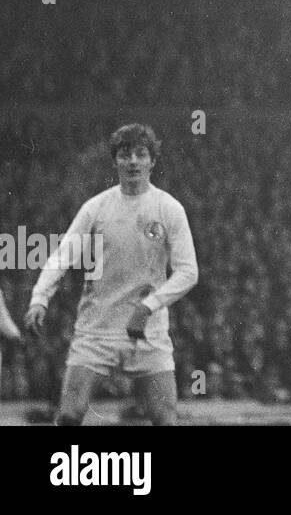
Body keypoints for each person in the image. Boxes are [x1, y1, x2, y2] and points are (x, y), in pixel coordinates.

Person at [24, 123, 198, 426]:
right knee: (68, 416)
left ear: (152, 161)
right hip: (97, 330)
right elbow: (62, 255)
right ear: (114, 161)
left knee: (165, 419)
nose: (132, 161)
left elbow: (188, 271)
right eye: (124, 154)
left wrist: (148, 307)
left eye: (141, 154)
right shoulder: (96, 208)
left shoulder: (169, 208)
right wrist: (39, 298)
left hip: (148, 331)